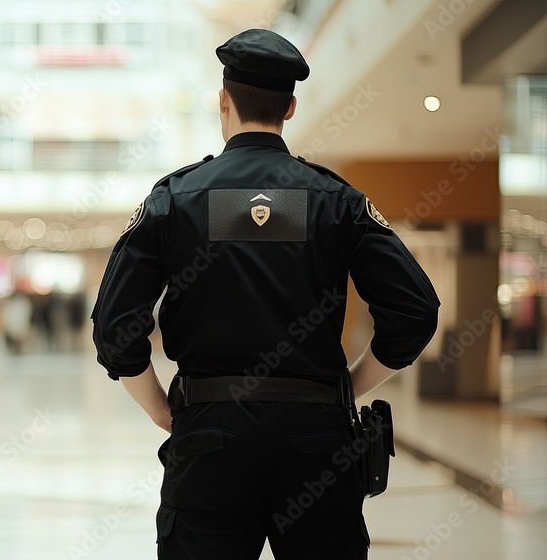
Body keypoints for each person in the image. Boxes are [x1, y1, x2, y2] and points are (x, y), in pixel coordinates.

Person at [91, 29, 440, 559]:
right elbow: (415, 311)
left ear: (223, 101)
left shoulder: (178, 199)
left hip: (209, 438)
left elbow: (116, 323)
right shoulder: (336, 201)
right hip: (317, 443)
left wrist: (162, 409)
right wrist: (350, 386)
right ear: (291, 107)